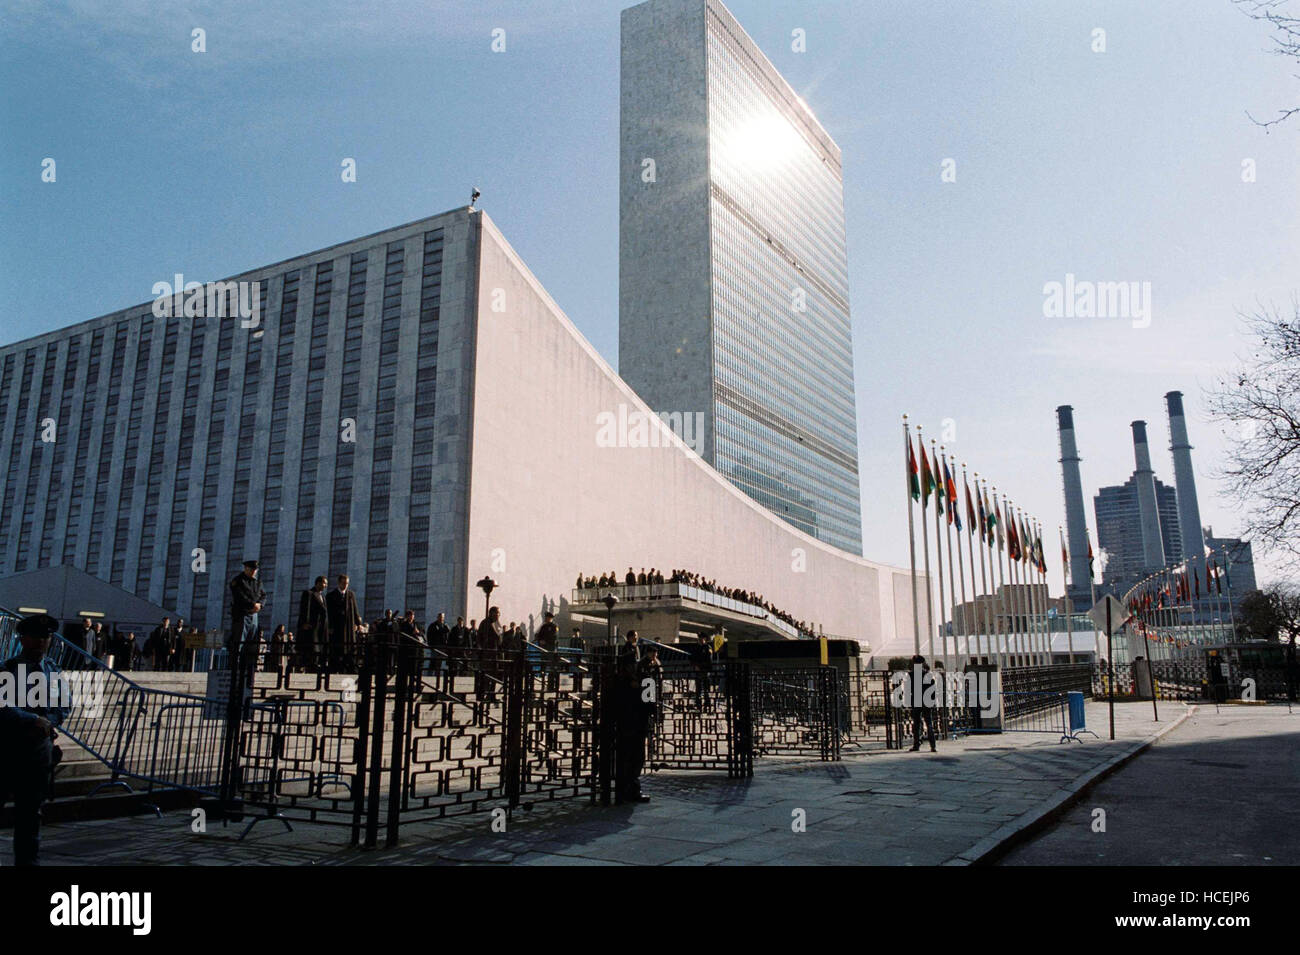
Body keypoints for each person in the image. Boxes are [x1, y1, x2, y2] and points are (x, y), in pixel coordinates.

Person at [0, 613, 68, 866]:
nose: (41, 641)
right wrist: (31, 720)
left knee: (30, 816)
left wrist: (49, 722)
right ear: (23, 638)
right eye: (36, 636)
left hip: (38, 752)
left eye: (46, 637)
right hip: (7, 749)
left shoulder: (53, 671)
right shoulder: (8, 669)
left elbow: (63, 706)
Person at [614, 630, 652, 804]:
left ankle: (625, 790)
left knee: (629, 758)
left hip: (629, 723)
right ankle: (629, 790)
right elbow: (649, 705)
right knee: (633, 758)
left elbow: (650, 704)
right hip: (633, 725)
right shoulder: (642, 680)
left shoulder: (639, 680)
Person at [325, 574, 364, 671]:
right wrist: (329, 627)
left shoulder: (351, 595)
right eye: (343, 583)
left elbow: (355, 610)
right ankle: (335, 667)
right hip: (336, 626)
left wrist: (359, 624)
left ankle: (349, 667)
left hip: (349, 626)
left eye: (347, 583)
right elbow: (328, 613)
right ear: (338, 583)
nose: (345, 585)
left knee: (349, 647)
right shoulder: (330, 596)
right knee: (336, 648)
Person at [229, 559, 265, 659]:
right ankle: (235, 665)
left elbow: (263, 595)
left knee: (251, 643)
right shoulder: (238, 581)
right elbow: (240, 597)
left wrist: (260, 605)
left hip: (254, 615)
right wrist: (253, 605)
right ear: (246, 569)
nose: (254, 572)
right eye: (252, 569)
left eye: (255, 570)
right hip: (242, 614)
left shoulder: (257, 582)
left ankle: (248, 667)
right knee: (239, 641)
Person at [296, 576, 329, 672]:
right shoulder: (309, 593)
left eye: (326, 584)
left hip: (320, 628)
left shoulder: (323, 596)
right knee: (312, 649)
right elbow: (305, 609)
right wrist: (305, 623)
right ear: (318, 583)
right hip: (311, 627)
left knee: (318, 648)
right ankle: (308, 667)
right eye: (324, 583)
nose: (325, 586)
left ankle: (314, 667)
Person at [908, 654, 937, 753]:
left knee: (916, 724)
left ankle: (916, 744)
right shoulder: (927, 674)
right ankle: (933, 745)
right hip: (927, 701)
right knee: (929, 723)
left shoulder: (911, 675)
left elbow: (909, 689)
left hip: (916, 700)